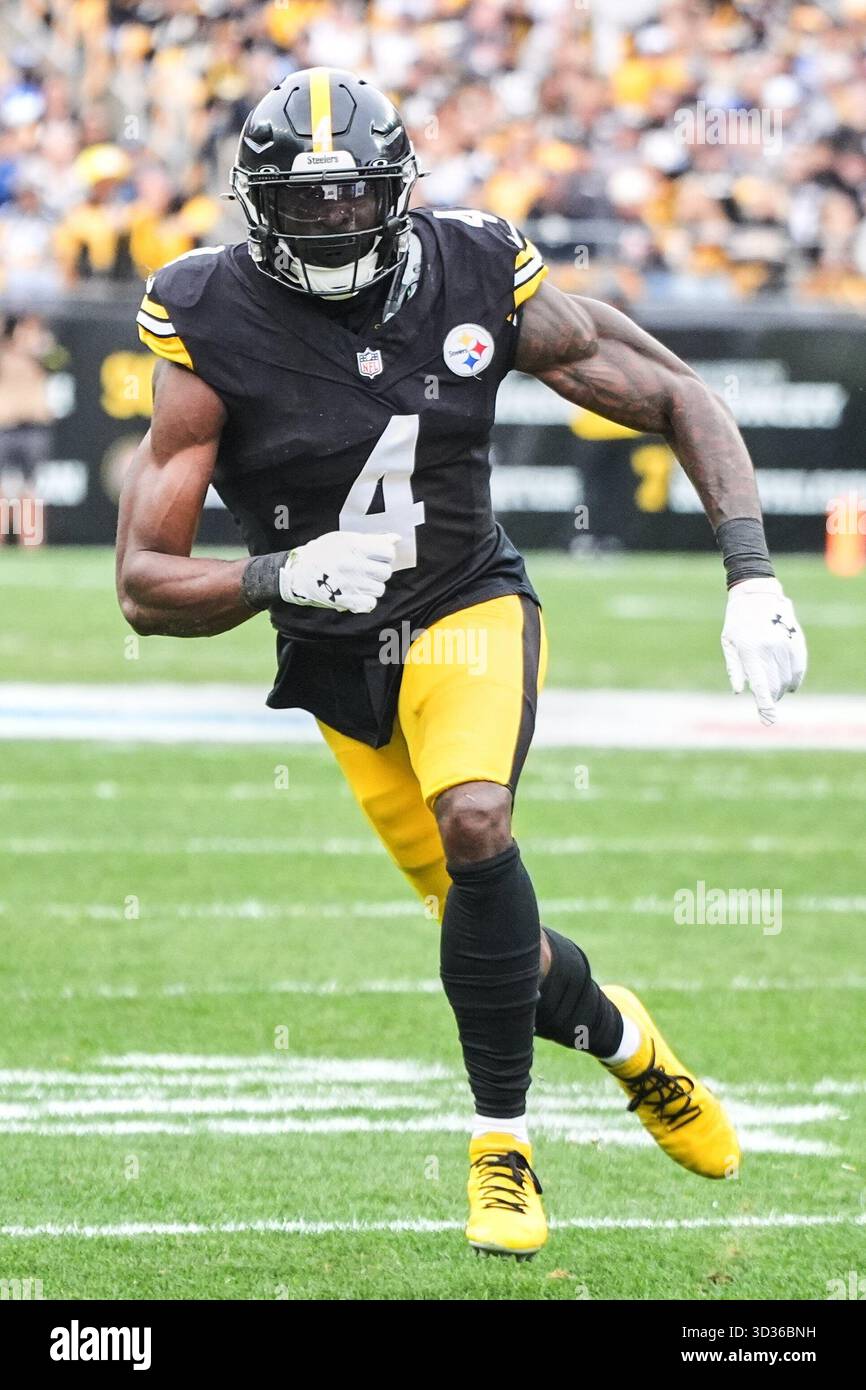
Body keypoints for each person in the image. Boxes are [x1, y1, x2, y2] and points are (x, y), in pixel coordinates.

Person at [116, 68, 807, 1259]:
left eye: (353, 199)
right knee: (497, 945)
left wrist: (750, 572)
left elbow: (675, 395)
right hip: (335, 656)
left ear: (397, 194)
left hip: (463, 601)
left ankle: (500, 1149)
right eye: (305, 202)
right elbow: (141, 584)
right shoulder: (205, 314)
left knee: (478, 820)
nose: (333, 222)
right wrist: (276, 578)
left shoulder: (474, 267)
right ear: (254, 205)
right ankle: (630, 1045)